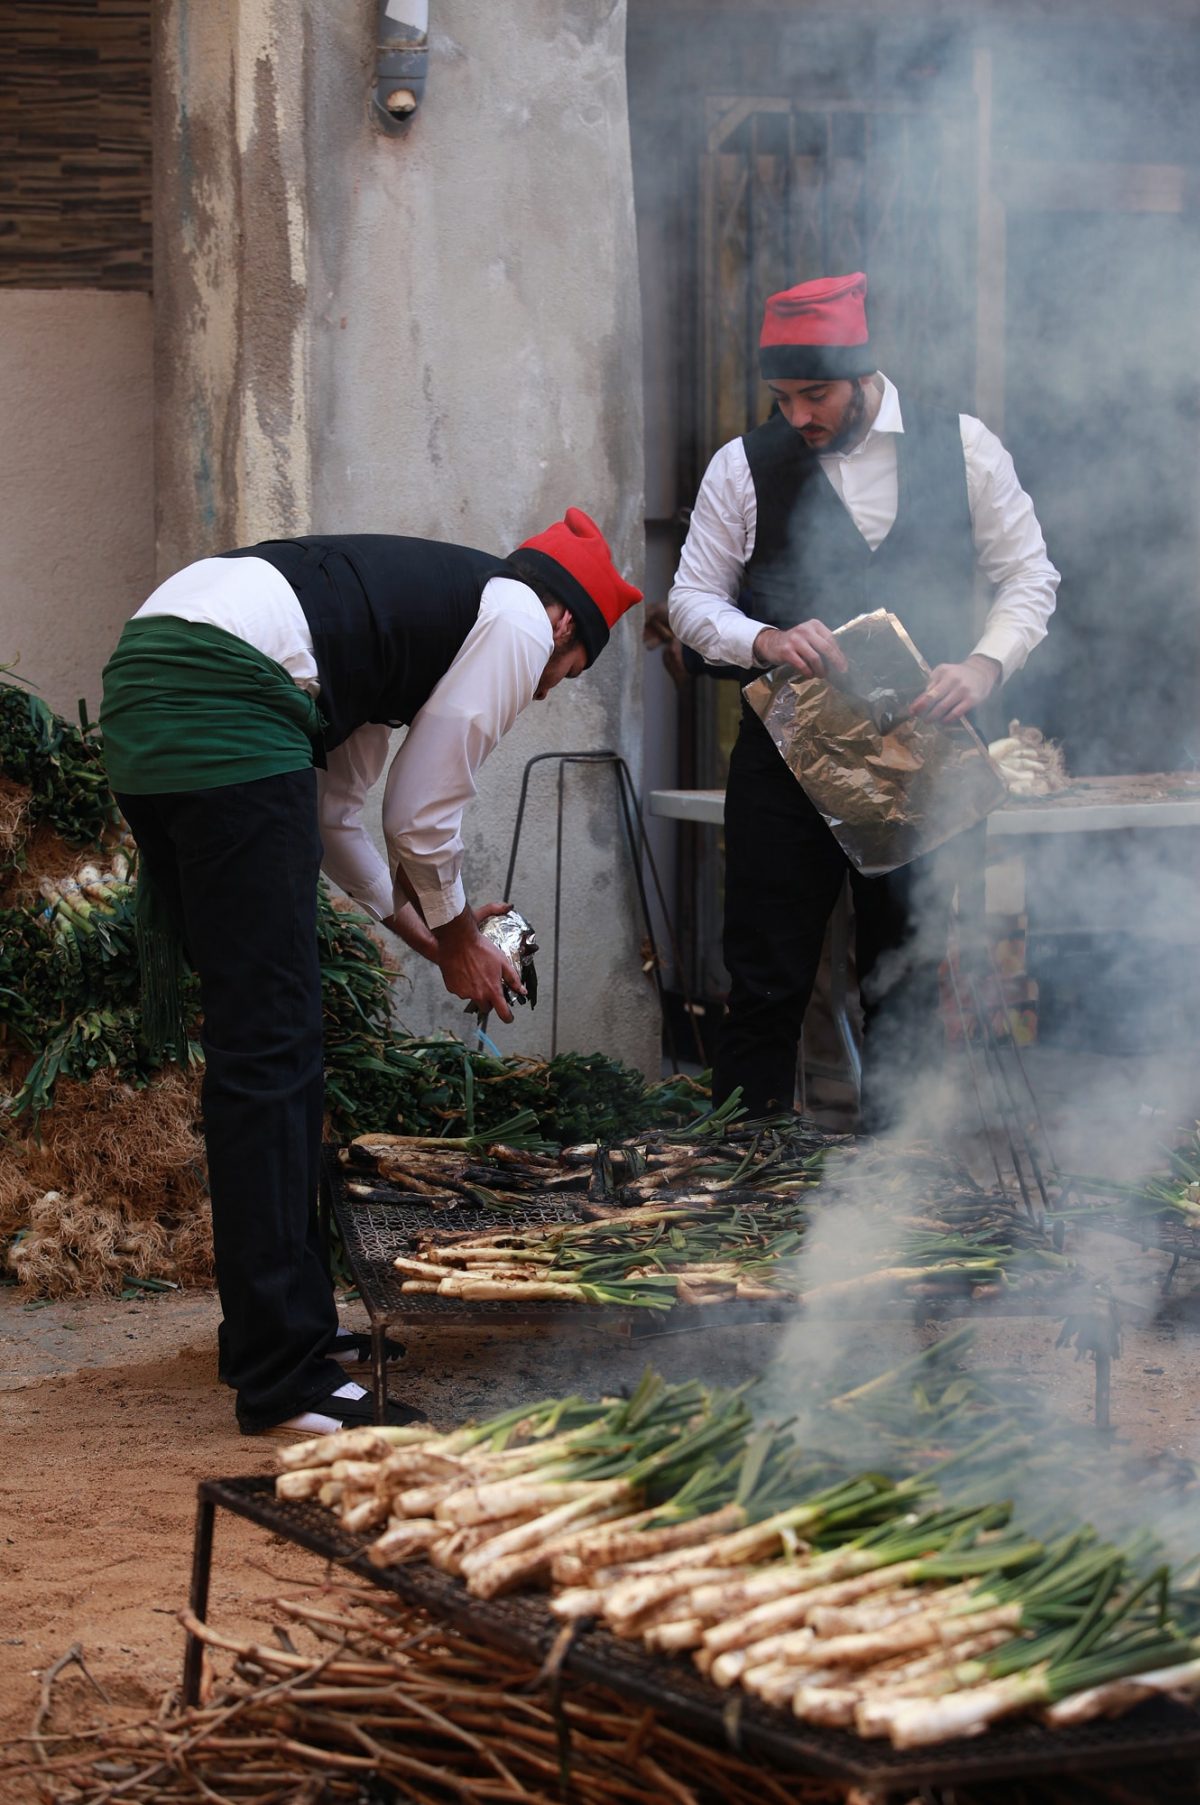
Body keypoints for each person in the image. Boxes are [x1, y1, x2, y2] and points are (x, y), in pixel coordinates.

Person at [100, 512, 642, 1435]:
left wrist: (440, 940)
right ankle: (284, 1375)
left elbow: (340, 818)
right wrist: (458, 933)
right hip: (223, 692)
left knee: (268, 1039)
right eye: (569, 671)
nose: (548, 692)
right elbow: (422, 808)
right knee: (271, 1045)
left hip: (154, 678)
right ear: (563, 622)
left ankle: (281, 1328)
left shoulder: (393, 638)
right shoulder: (515, 617)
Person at [668, 271, 1059, 1128]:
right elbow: (691, 604)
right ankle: (747, 1187)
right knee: (765, 980)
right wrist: (763, 641)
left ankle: (898, 1195)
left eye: (816, 394)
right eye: (784, 397)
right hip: (782, 770)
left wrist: (985, 667)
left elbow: (1030, 575)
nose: (798, 415)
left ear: (863, 376)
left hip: (923, 762)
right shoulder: (742, 466)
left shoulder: (963, 448)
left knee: (909, 977)